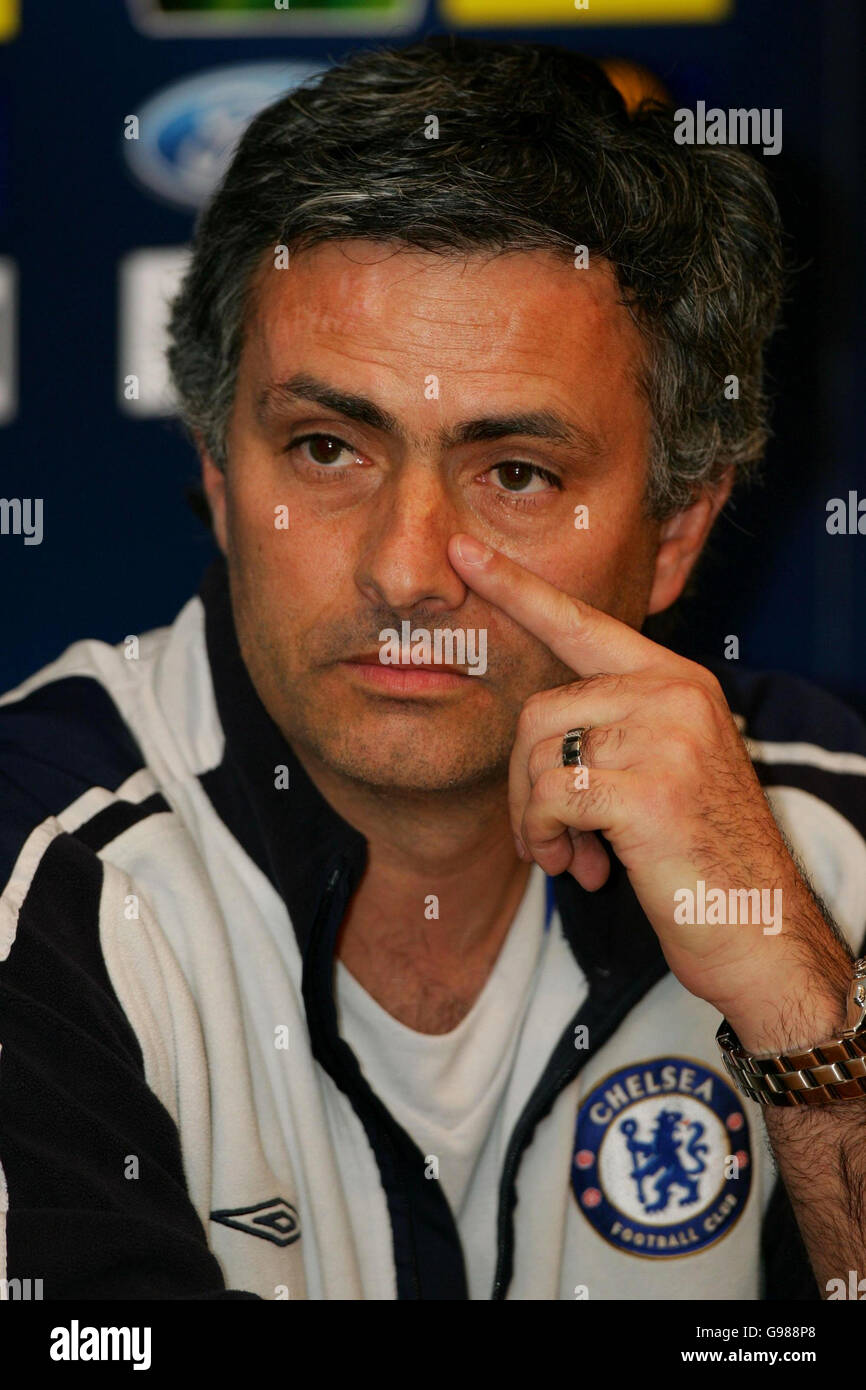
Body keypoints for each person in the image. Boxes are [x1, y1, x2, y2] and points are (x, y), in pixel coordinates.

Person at [1, 36, 865, 1303]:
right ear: (216, 469)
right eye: (326, 449)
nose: (406, 571)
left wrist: (804, 1014)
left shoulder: (827, 847)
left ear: (676, 526)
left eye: (513, 472)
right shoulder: (33, 873)